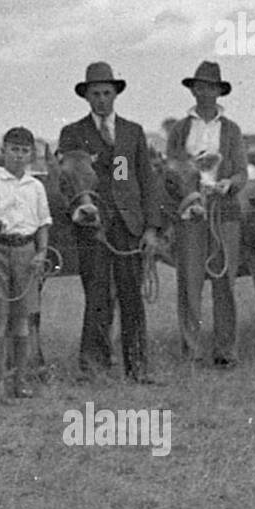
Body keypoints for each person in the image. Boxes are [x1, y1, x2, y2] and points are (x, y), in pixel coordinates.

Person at [57, 61, 164, 383]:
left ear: (115, 94)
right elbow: (69, 180)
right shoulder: (73, 133)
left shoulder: (133, 132)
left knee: (133, 298)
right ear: (86, 97)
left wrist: (151, 228)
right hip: (94, 226)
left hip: (130, 226)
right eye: (95, 94)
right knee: (98, 295)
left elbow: (146, 180)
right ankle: (93, 368)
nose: (102, 99)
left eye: (106, 93)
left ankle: (138, 368)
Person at [165, 61, 248, 367]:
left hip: (223, 211)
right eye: (200, 87)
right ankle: (192, 350)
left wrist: (229, 184)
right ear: (193, 89)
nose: (205, 93)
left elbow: (241, 172)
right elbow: (169, 169)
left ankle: (226, 350)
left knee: (224, 280)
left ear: (218, 91)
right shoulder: (180, 128)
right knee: (190, 280)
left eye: (211, 88)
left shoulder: (231, 129)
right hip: (191, 212)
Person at [0, 126, 51, 400]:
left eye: (24, 151)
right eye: (13, 150)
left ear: (31, 154)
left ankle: (19, 381)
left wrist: (41, 252)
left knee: (22, 319)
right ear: (3, 151)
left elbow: (43, 222)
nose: (18, 156)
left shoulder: (36, 187)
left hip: (26, 251)